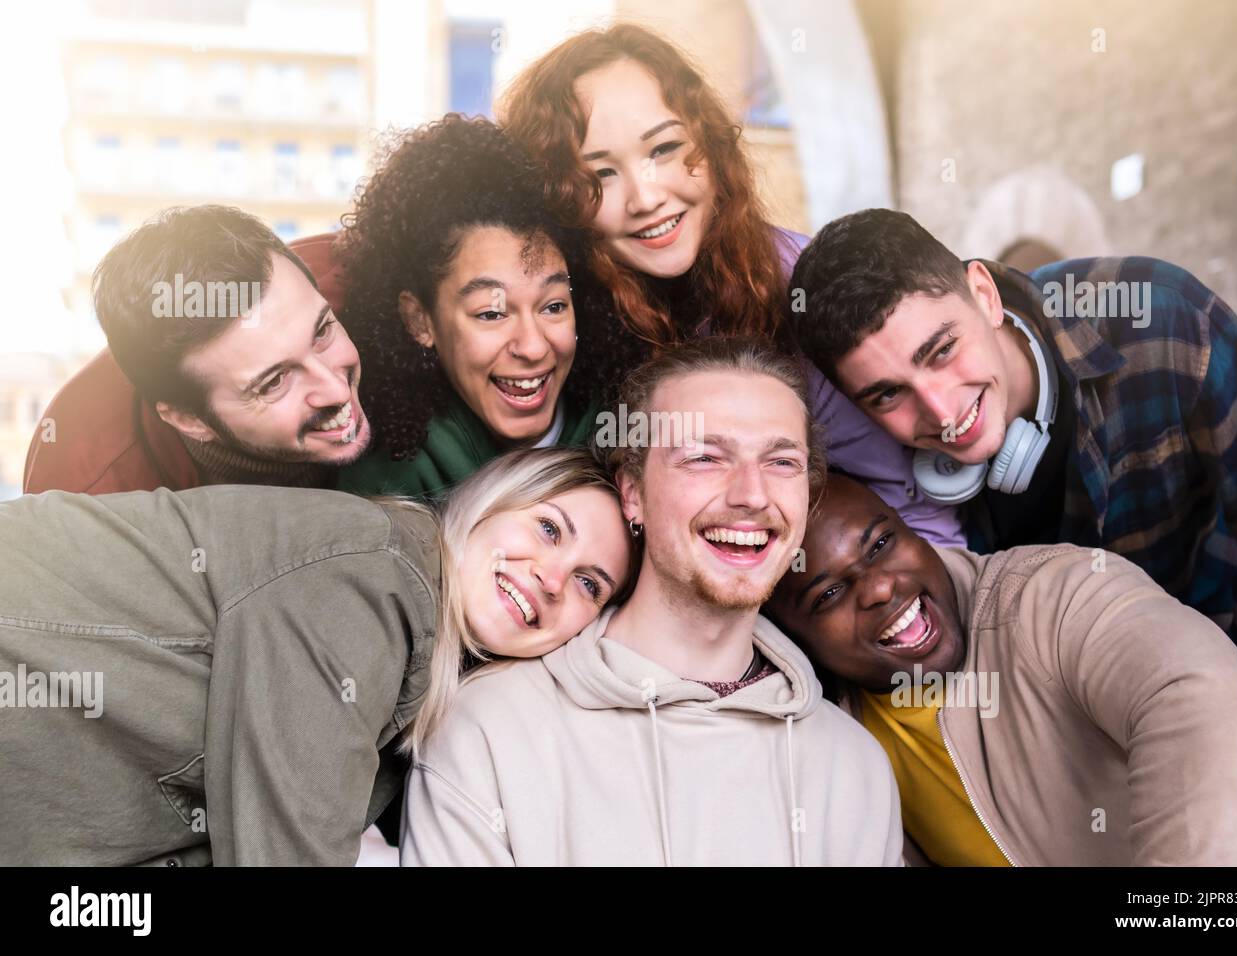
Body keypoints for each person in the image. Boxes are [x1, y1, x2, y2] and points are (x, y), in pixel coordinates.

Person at [789, 208, 1237, 780]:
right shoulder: (900, 493)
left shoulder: (1160, 316)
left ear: (983, 293)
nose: (941, 412)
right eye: (887, 396)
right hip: (1091, 763)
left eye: (940, 352)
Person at [402, 338, 904, 866]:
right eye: (705, 457)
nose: (752, 496)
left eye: (781, 462)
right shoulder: (489, 725)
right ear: (633, 492)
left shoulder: (856, 769)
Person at [0, 448, 632, 865]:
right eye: (548, 529)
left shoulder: (406, 696)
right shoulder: (381, 574)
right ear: (490, 503)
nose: (552, 578)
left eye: (589, 584)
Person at [498, 23, 963, 546]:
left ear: (712, 146)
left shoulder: (798, 286)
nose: (645, 197)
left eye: (665, 148)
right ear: (557, 198)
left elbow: (911, 509)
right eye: (601, 175)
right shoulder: (549, 319)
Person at [766, 471, 1237, 866]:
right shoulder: (838, 741)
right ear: (795, 641)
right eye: (829, 593)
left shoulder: (1054, 594)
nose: (880, 586)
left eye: (882, 543)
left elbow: (1208, 702)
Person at [334, 114, 623, 498]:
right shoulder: (389, 475)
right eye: (491, 313)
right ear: (419, 320)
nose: (534, 347)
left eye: (553, 306)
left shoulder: (625, 429)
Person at [24, 205, 372, 495]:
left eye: (323, 331)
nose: (336, 390)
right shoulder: (88, 490)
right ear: (188, 419)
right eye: (275, 382)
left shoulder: (371, 272)